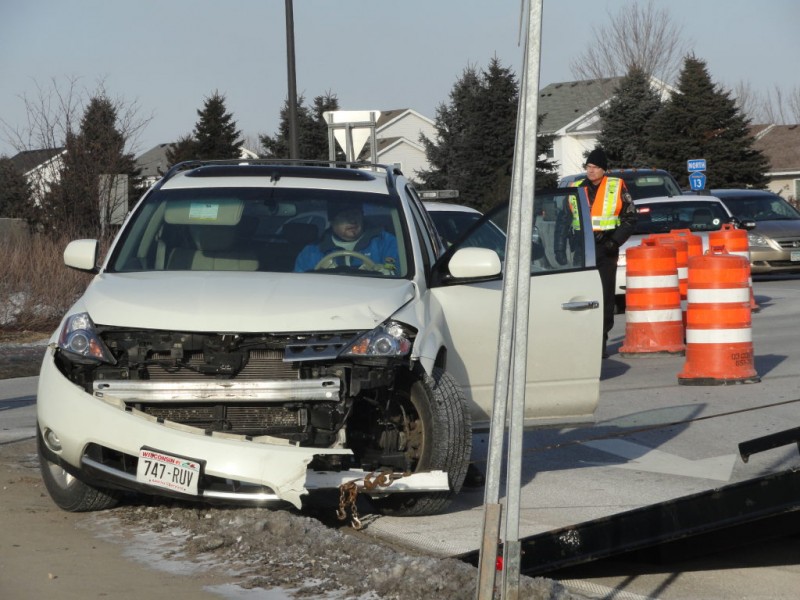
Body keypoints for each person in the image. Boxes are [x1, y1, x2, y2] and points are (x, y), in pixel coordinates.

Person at [558, 147, 637, 358]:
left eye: (596, 167)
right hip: (581, 250)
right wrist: (559, 248)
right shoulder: (576, 188)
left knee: (603, 296)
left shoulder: (616, 186)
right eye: (589, 167)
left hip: (605, 249)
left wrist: (614, 241)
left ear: (604, 170)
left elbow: (630, 219)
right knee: (581, 297)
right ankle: (583, 339)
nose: (591, 171)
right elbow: (564, 220)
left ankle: (601, 339)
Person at [294, 202, 400, 274]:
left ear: (362, 216)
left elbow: (399, 274)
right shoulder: (313, 251)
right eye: (345, 216)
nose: (352, 221)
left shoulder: (385, 242)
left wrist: (386, 272)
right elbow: (299, 285)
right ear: (332, 221)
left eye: (355, 214)